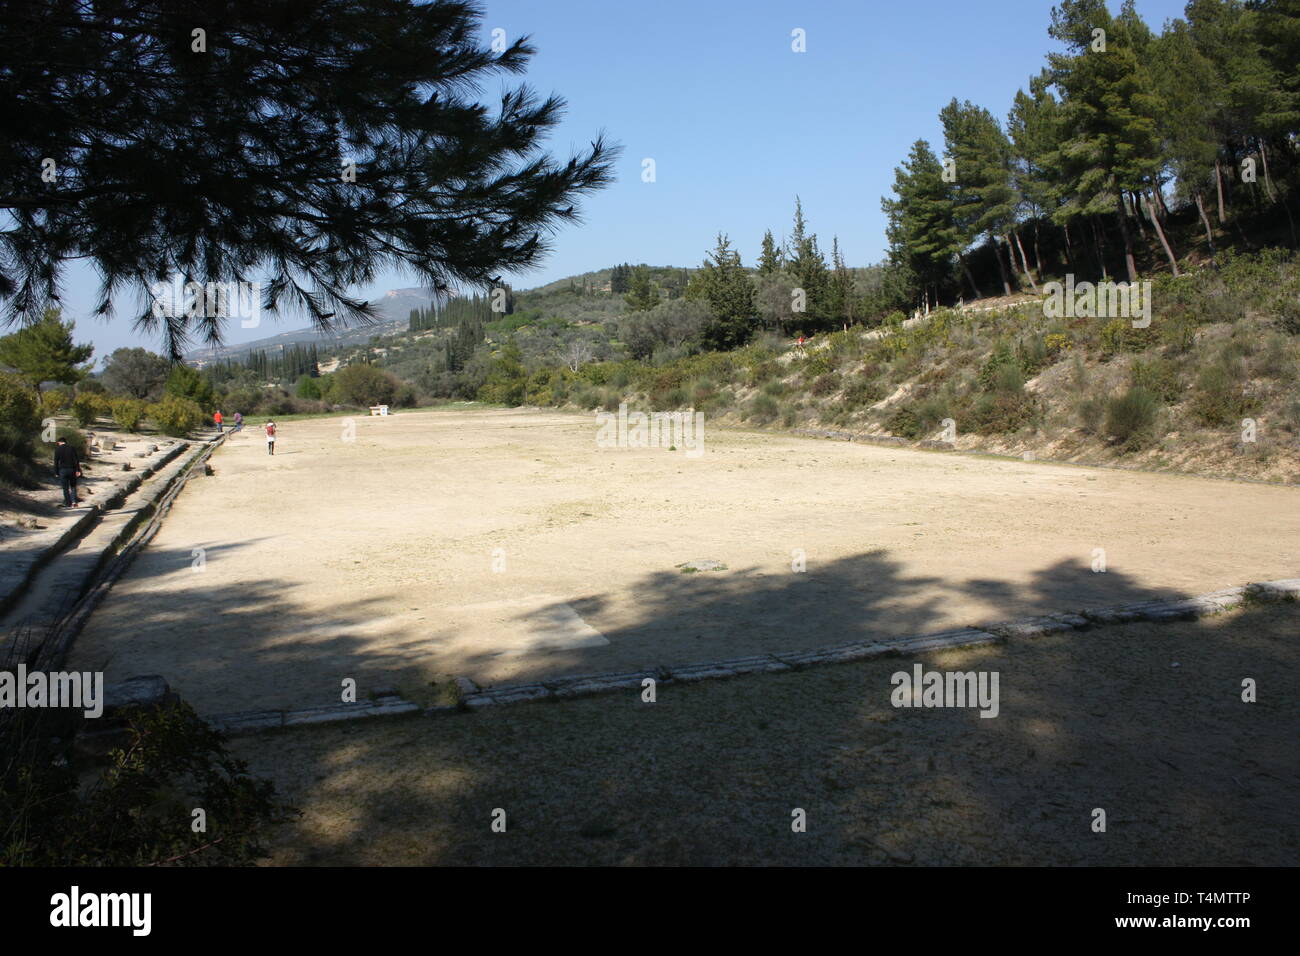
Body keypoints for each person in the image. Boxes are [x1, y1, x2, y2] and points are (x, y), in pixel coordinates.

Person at [53, 436, 82, 508]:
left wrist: (56, 472)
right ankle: (74, 502)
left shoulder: (58, 449)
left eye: (58, 443)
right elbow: (76, 460)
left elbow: (56, 462)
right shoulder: (72, 448)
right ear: (65, 442)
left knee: (65, 488)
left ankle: (68, 503)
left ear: (59, 442)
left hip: (63, 470)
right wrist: (78, 470)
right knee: (73, 486)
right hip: (72, 469)